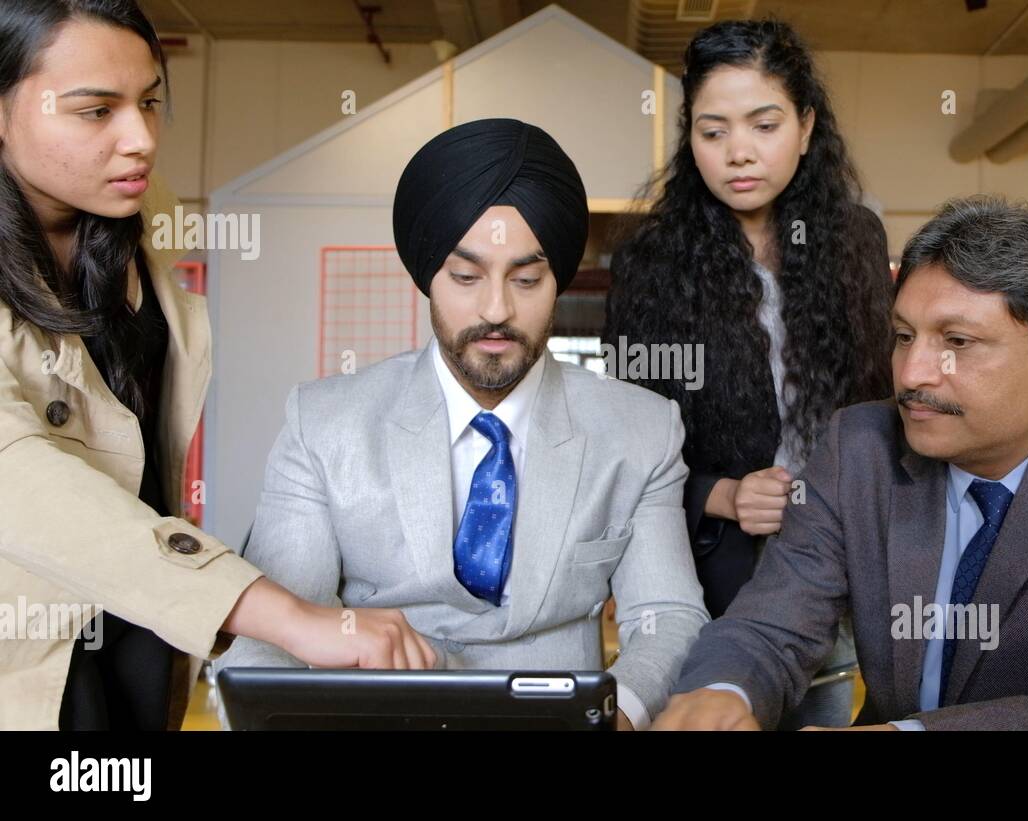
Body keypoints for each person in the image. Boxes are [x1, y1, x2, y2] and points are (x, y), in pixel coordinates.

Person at [654, 196, 1028, 731]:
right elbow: (773, 622)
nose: (913, 374)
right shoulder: (857, 445)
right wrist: (721, 690)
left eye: (957, 342)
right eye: (904, 336)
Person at [0, 0, 433, 731]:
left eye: (149, 103)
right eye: (95, 111)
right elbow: (22, 476)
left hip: (140, 627)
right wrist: (285, 614)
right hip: (29, 654)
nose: (139, 139)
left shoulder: (139, 211)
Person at [216, 118, 710, 731]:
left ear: (559, 280)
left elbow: (668, 616)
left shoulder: (641, 429)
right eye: (466, 276)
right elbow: (281, 622)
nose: (497, 310)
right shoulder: (325, 423)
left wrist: (621, 719)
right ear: (427, 276)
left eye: (527, 279)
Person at [603, 18, 893, 729]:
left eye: (764, 125)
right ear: (689, 137)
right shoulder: (652, 261)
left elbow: (880, 406)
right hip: (714, 577)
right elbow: (623, 438)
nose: (739, 153)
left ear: (805, 124)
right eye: (713, 131)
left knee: (827, 706)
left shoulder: (856, 239)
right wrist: (723, 493)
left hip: (837, 565)